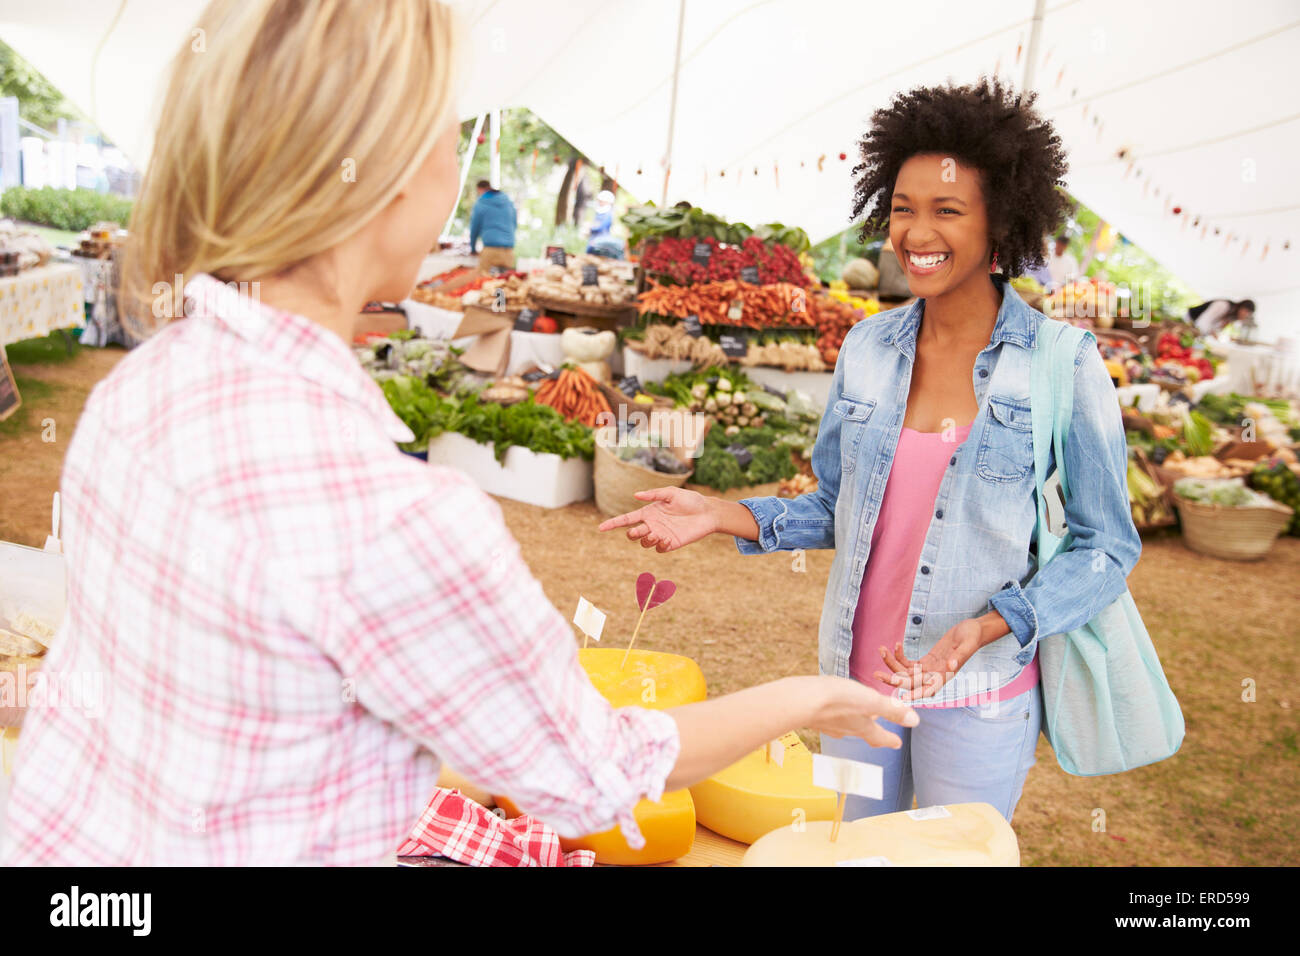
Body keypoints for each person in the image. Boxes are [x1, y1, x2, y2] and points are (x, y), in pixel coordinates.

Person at [0, 0, 914, 867]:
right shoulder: (391, 515)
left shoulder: (139, 387)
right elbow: (590, 774)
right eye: (445, 127)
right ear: (389, 175)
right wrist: (803, 696)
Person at [601, 78, 1140, 825]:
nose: (916, 234)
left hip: (978, 695)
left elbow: (1107, 547)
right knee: (858, 850)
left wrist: (995, 624)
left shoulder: (1062, 364)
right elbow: (838, 502)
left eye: (947, 210)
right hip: (852, 690)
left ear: (1002, 220)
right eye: (902, 210)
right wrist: (720, 513)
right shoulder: (868, 346)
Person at [469, 178, 517, 271]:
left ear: (480, 189)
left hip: (490, 250)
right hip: (508, 251)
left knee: (484, 281)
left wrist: (473, 249)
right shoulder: (508, 201)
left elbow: (474, 228)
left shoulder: (481, 203)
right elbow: (514, 224)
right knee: (506, 282)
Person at [1188, 298, 1255, 337]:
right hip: (1188, 321)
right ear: (1241, 307)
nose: (1246, 315)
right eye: (1246, 312)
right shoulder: (1223, 305)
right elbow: (1203, 321)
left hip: (1196, 329)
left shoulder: (1230, 317)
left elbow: (1214, 328)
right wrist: (1210, 332)